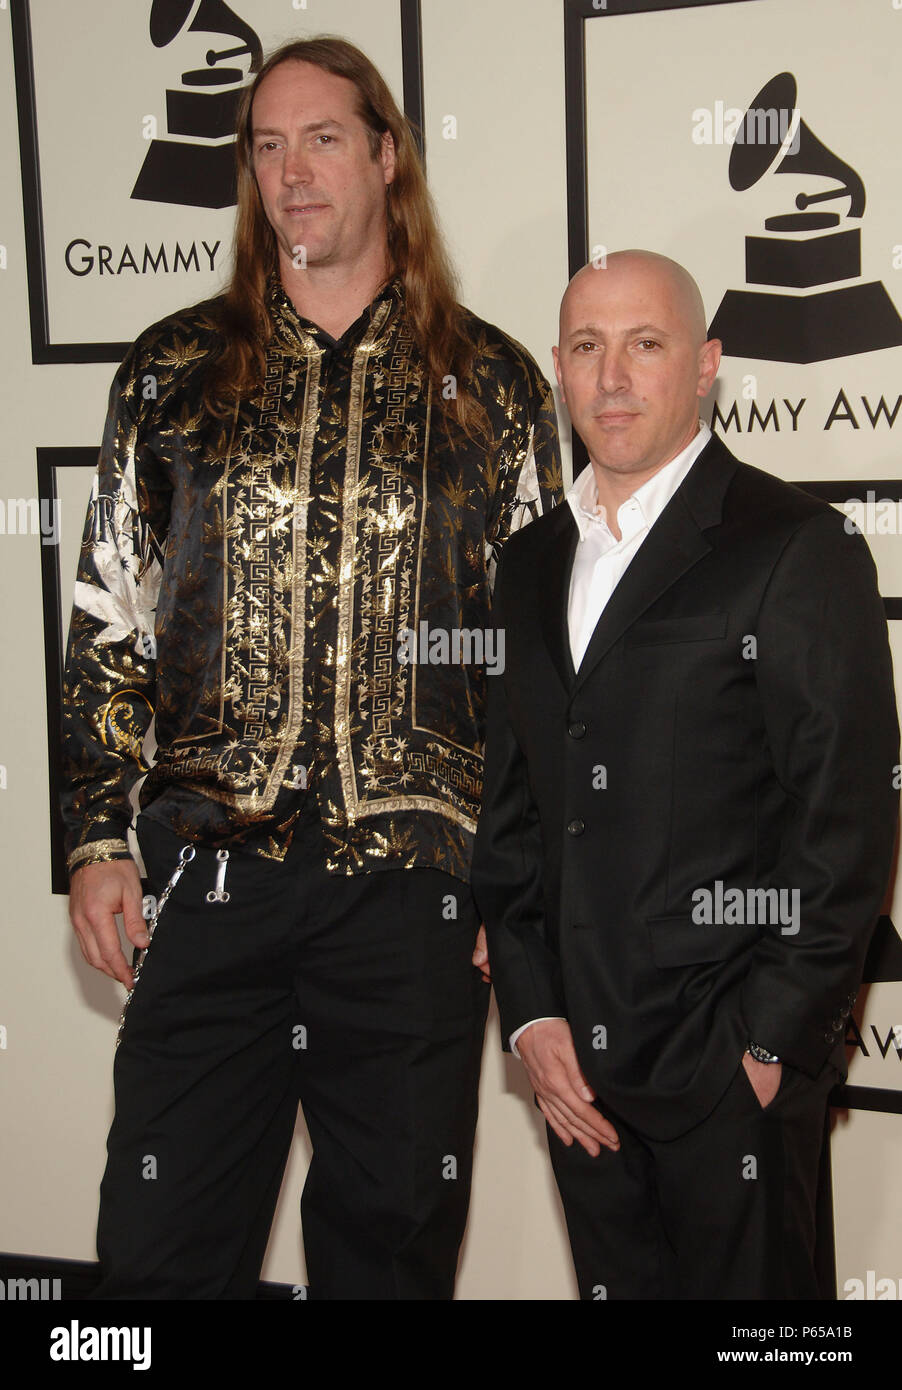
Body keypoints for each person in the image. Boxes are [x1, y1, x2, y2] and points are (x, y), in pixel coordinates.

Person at [61, 37, 561, 1300]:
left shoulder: (493, 385)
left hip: (414, 898)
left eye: (322, 139)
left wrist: (521, 881)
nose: (293, 173)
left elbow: (540, 662)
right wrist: (94, 840)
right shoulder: (172, 373)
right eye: (267, 147)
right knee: (153, 1263)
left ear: (386, 157)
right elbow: (109, 617)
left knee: (388, 1260)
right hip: (210, 879)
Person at [471, 250, 898, 1300]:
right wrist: (529, 1020)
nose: (611, 377)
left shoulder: (793, 545)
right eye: (585, 347)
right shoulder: (524, 564)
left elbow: (843, 818)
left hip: (726, 1078)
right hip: (573, 1078)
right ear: (559, 373)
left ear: (705, 365)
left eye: (644, 344)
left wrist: (766, 1048)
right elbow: (514, 811)